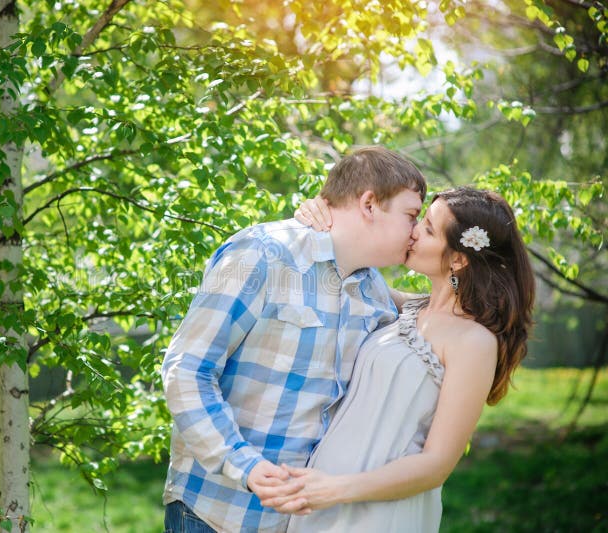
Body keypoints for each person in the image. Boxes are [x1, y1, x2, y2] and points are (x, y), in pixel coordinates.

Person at [161, 146, 427, 532]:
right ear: (369, 204)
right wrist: (243, 464)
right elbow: (186, 370)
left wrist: (464, 272)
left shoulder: (373, 290)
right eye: (411, 215)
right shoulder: (264, 255)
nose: (415, 232)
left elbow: (443, 312)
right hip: (217, 512)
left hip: (303, 521)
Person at [266, 187, 535, 532]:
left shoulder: (474, 341)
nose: (413, 231)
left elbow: (436, 464)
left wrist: (337, 490)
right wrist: (320, 214)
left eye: (428, 228)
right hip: (317, 498)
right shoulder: (406, 307)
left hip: (374, 510)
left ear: (458, 259)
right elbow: (343, 264)